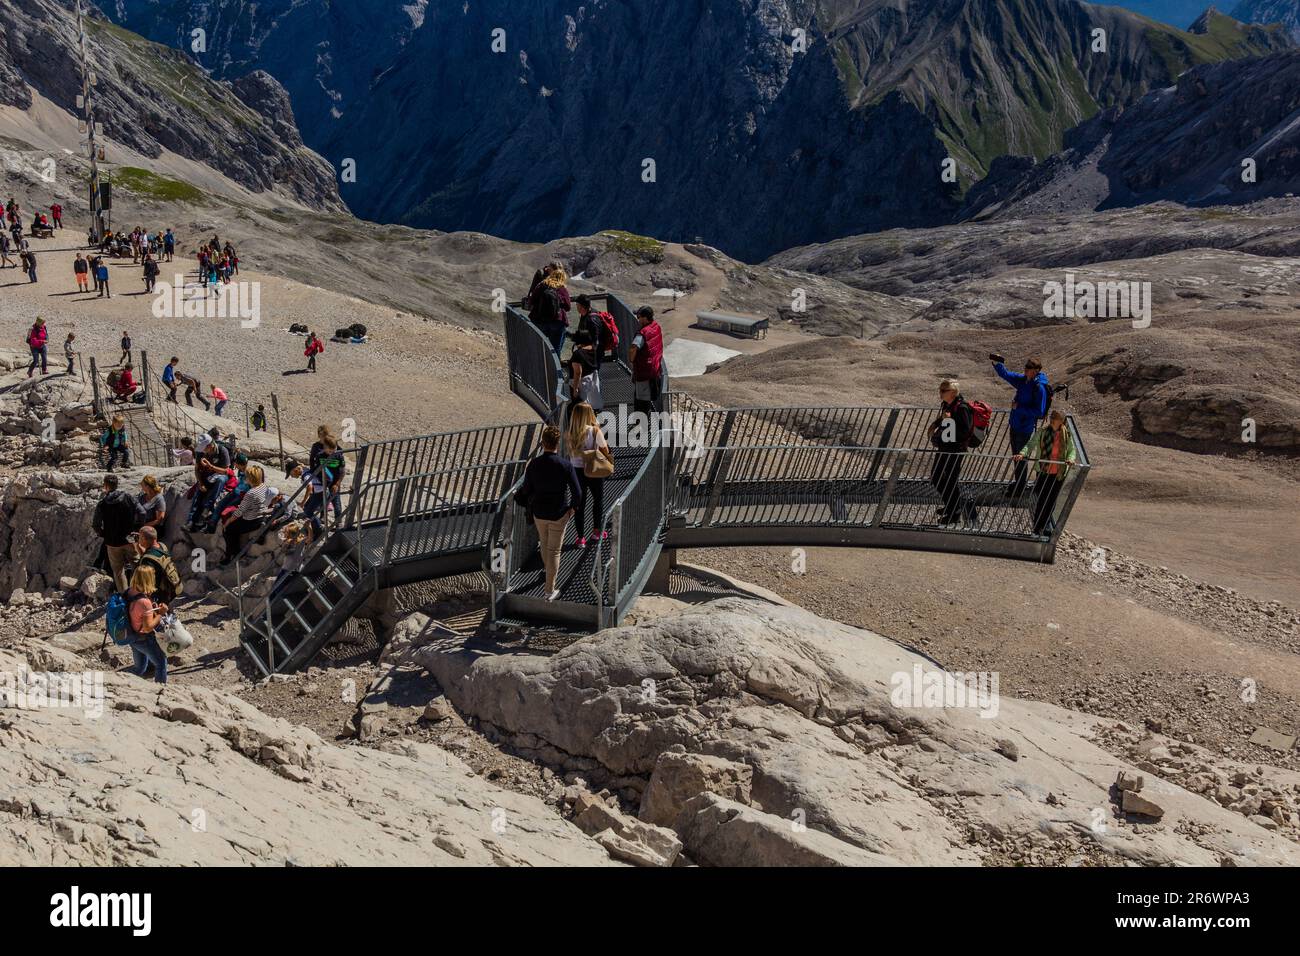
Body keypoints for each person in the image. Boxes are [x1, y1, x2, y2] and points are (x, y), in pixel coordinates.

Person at [516, 425, 582, 601]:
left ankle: (548, 571)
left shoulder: (534, 464)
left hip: (539, 512)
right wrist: (572, 510)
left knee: (544, 544)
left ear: (543, 442)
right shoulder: (565, 465)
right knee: (554, 551)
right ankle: (549, 590)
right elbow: (578, 492)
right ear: (557, 442)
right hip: (558, 513)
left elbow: (527, 489)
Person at [990, 354, 1049, 497]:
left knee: (1020, 458)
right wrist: (997, 363)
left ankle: (1020, 489)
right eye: (1025, 366)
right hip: (1015, 425)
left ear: (1035, 370)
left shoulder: (1038, 388)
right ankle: (1019, 484)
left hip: (1024, 428)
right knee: (1017, 458)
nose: (1025, 369)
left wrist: (1018, 408)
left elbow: (1039, 411)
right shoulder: (1023, 381)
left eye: (1028, 367)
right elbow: (1006, 375)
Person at [1015, 409, 1077, 537]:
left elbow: (1072, 450)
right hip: (1043, 471)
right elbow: (1031, 444)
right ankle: (1037, 528)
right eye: (1052, 417)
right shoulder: (1042, 432)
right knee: (1042, 499)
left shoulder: (1066, 435)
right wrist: (1022, 453)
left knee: (1051, 500)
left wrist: (1071, 459)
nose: (1052, 419)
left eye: (1055, 418)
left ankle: (1045, 526)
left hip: (1058, 473)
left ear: (1061, 421)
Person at [928, 379, 977, 527]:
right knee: (937, 477)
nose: (941, 393)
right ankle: (950, 506)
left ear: (954, 392)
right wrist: (935, 424)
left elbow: (965, 432)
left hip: (955, 450)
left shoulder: (962, 408)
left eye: (944, 390)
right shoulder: (947, 405)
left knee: (950, 480)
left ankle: (954, 513)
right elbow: (943, 420)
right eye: (940, 389)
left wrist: (950, 422)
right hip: (944, 448)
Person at [565, 402, 611, 549]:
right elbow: (605, 449)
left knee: (580, 503)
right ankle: (596, 531)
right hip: (593, 469)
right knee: (598, 500)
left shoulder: (570, 432)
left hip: (576, 471)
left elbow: (571, 453)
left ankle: (580, 538)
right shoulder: (594, 431)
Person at [92, 474, 146, 592]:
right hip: (129, 539)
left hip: (112, 543)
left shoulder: (102, 503)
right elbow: (142, 512)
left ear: (106, 486)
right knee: (137, 566)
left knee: (118, 572)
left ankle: (125, 597)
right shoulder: (128, 497)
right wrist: (136, 528)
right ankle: (141, 592)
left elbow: (95, 524)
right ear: (117, 484)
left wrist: (104, 534)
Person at [219, 465, 277, 566]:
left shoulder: (251, 493)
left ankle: (230, 555)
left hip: (250, 521)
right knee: (234, 525)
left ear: (250, 478)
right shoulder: (264, 486)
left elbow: (240, 511)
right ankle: (236, 551)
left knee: (227, 530)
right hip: (260, 517)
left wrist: (227, 522)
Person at [122, 564, 168, 684]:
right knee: (161, 663)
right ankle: (160, 691)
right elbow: (148, 628)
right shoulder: (144, 602)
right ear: (148, 579)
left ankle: (121, 682)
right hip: (144, 638)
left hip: (132, 635)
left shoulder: (129, 592)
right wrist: (161, 613)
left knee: (140, 668)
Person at [629, 305, 664, 418]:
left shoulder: (642, 333)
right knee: (646, 400)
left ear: (645, 318)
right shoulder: (656, 327)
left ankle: (641, 427)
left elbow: (634, 347)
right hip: (655, 370)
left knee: (641, 402)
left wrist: (631, 359)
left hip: (644, 373)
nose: (638, 319)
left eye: (639, 317)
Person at [528, 267, 571, 355]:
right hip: (557, 322)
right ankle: (555, 368)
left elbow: (531, 301)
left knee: (539, 349)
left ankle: (540, 367)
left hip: (539, 322)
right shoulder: (561, 288)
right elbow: (568, 307)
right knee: (555, 350)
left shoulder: (541, 285)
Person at [133, 526, 181, 605]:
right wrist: (139, 548)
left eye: (140, 537)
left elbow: (147, 584)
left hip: (159, 594)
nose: (138, 539)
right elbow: (153, 557)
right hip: (170, 587)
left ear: (144, 539)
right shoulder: (162, 546)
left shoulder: (147, 560)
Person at [568, 330, 603, 411]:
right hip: (592, 380)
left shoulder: (578, 354)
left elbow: (578, 373)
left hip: (581, 384)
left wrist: (575, 389)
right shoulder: (593, 349)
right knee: (592, 404)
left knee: (580, 407)